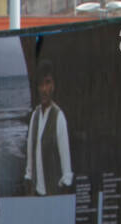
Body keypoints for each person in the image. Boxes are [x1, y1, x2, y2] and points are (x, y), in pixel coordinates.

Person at [23, 60, 73, 197]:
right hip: (36, 195)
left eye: (48, 82)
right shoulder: (34, 116)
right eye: (41, 84)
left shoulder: (59, 117)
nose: (44, 89)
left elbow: (67, 172)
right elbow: (29, 166)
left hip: (53, 195)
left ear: (54, 85)